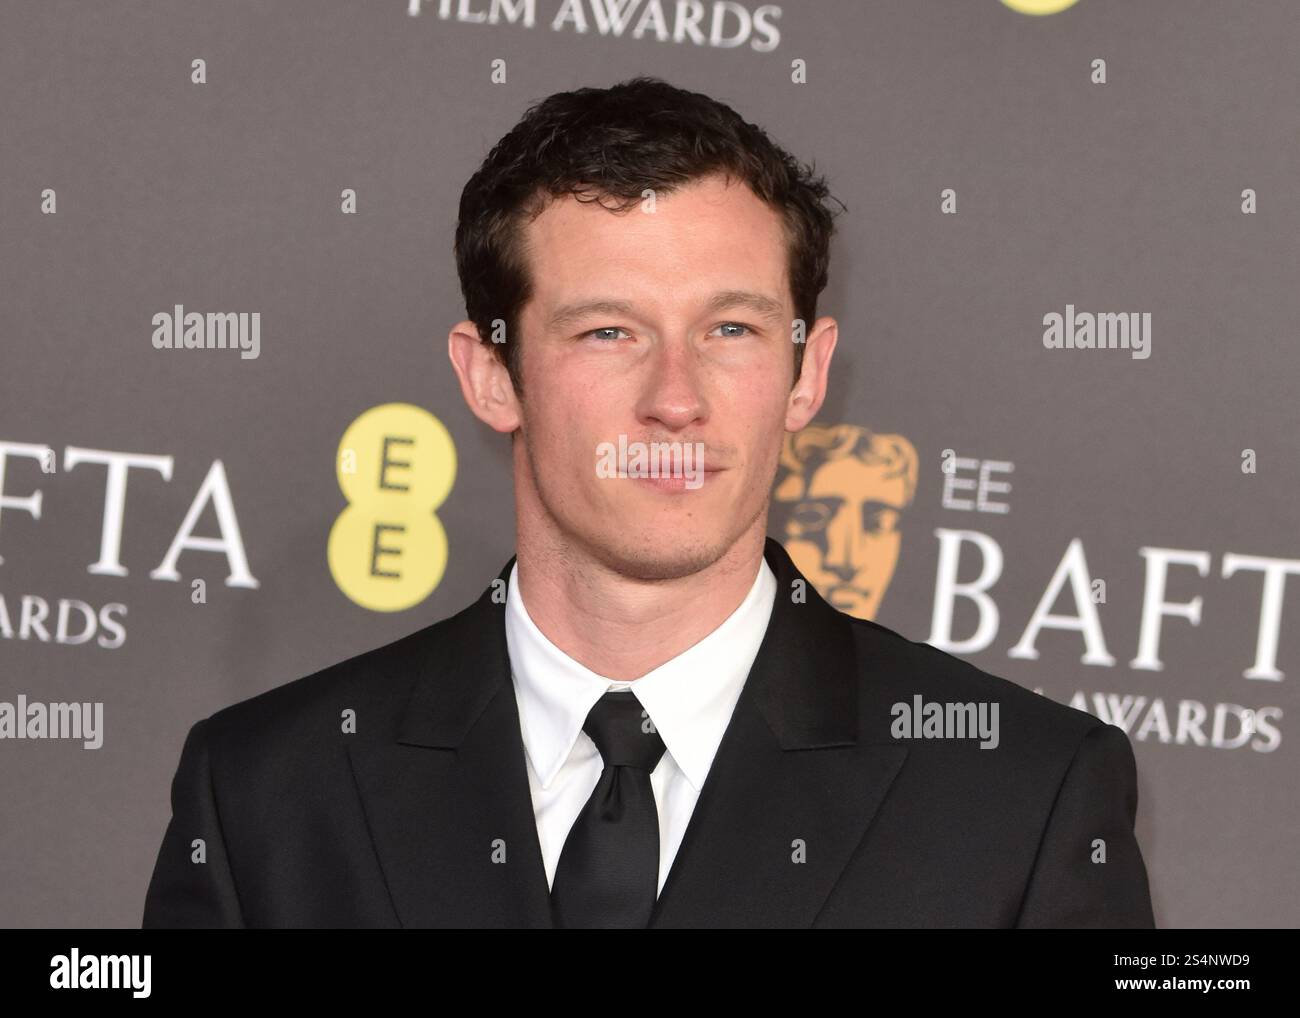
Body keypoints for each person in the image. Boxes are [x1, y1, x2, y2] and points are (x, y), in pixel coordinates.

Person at [142, 76, 1155, 928]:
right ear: (491, 376)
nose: (675, 398)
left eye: (731, 330)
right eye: (608, 332)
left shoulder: (1022, 799)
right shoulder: (266, 793)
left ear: (807, 376)